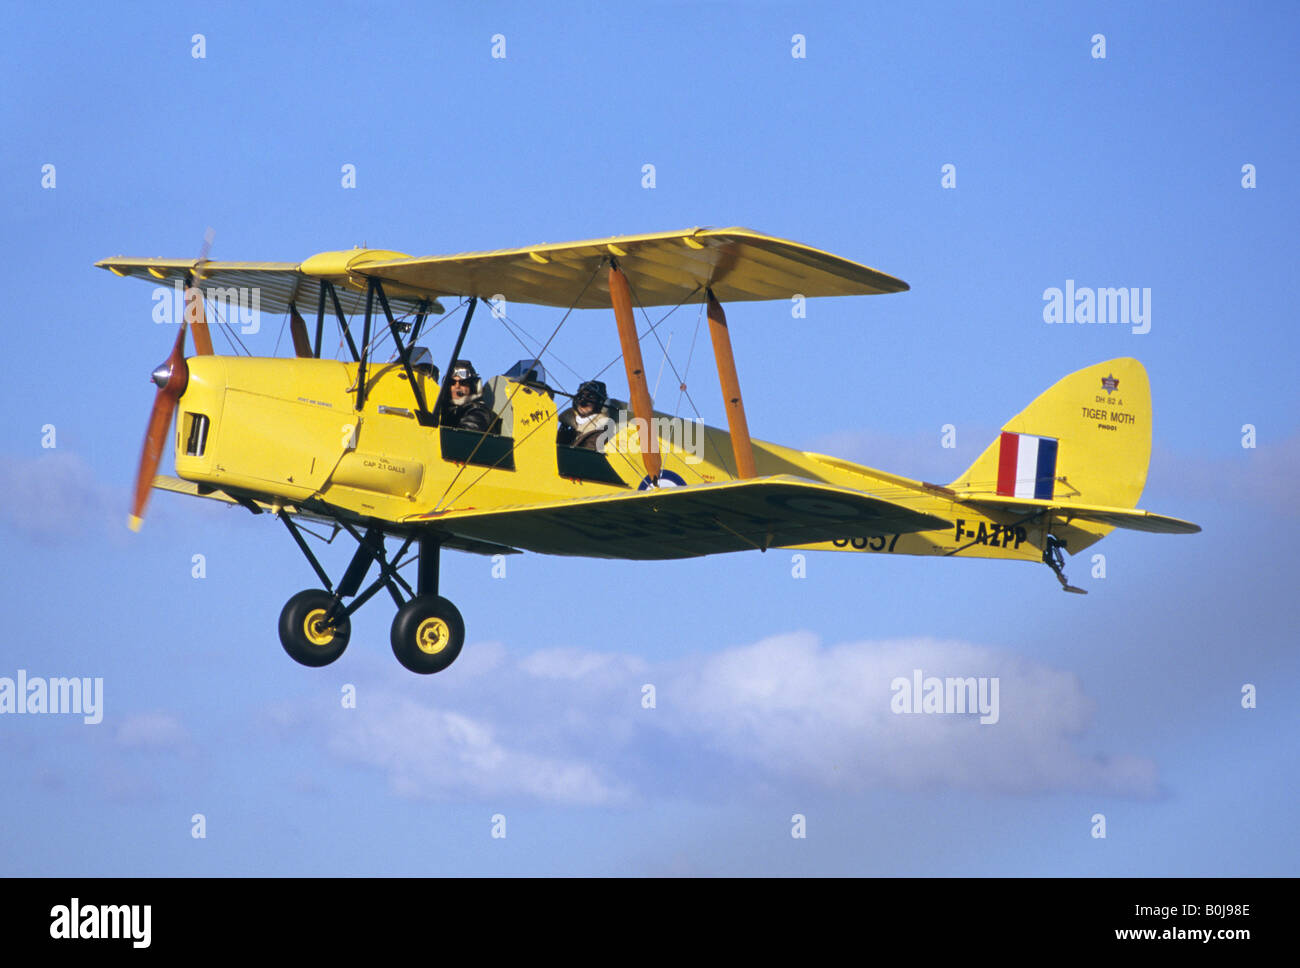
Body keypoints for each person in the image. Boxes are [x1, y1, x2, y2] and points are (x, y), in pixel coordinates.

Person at [557, 380, 614, 451]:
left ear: (601, 402)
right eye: (580, 396)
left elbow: (586, 455)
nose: (583, 401)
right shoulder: (566, 426)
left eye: (590, 397)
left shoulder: (602, 431)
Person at [440, 360, 493, 432]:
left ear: (473, 387)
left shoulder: (478, 411)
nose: (457, 386)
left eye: (463, 383)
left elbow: (465, 434)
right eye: (452, 383)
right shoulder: (441, 410)